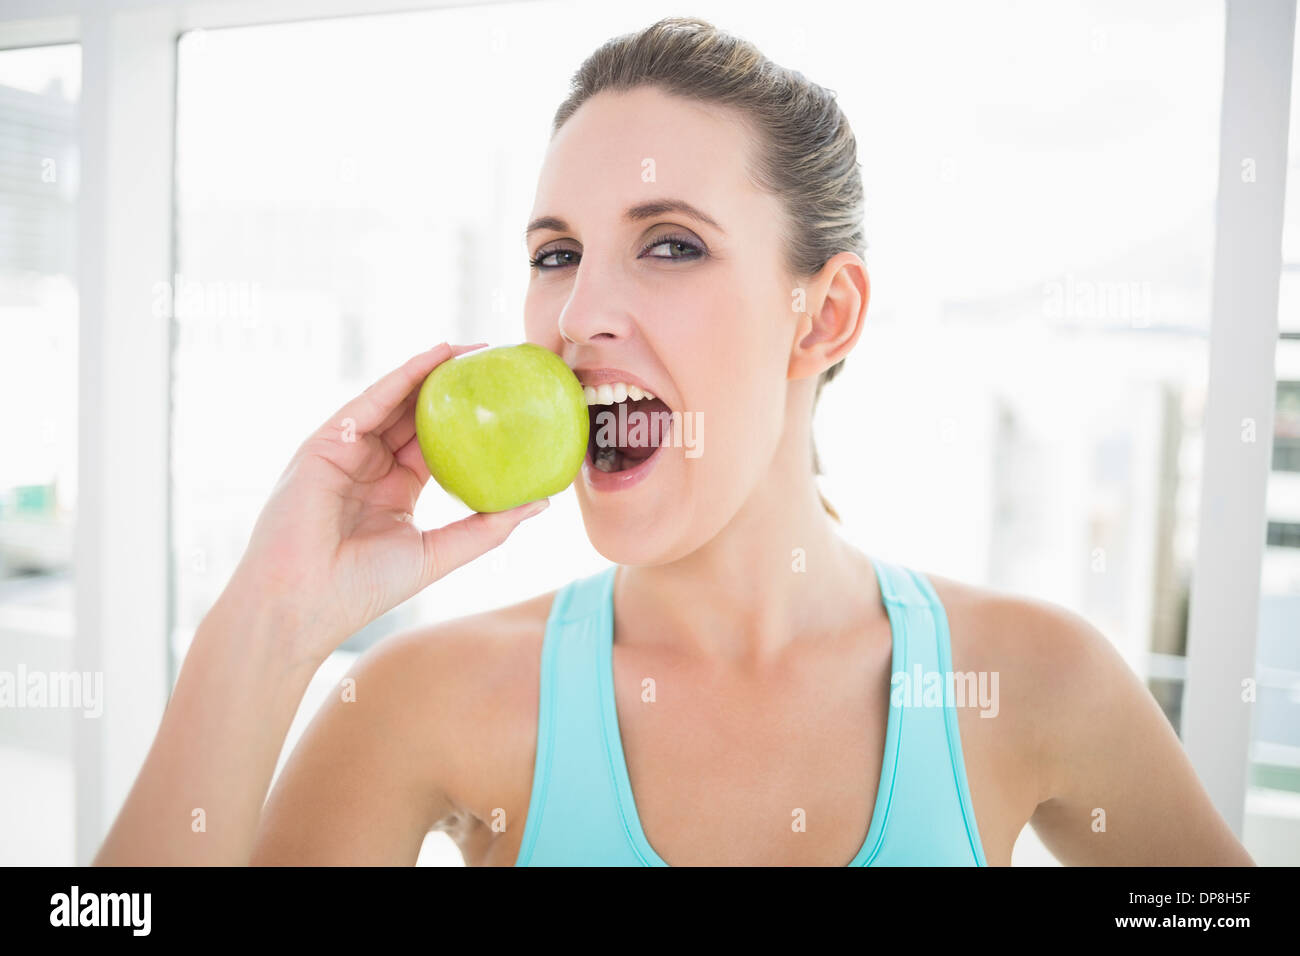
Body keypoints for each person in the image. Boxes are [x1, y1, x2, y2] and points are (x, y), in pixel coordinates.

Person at [95, 16, 1253, 866]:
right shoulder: (422, 701)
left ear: (825, 314)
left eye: (670, 245)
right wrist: (265, 621)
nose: (576, 313)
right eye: (556, 253)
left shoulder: (1038, 681)